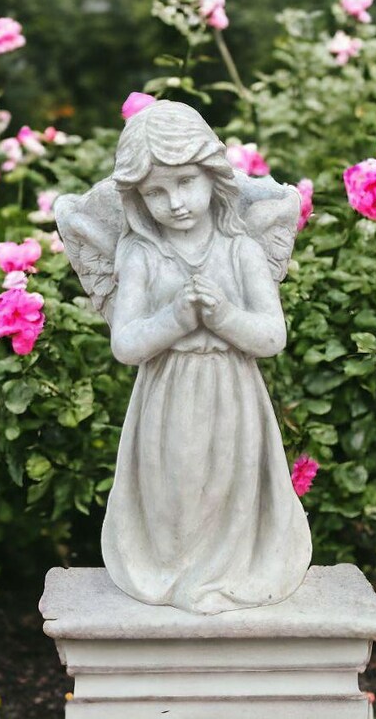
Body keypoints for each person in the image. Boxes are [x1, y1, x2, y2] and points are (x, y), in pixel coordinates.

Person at [57, 100, 311, 615]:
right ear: (135, 198)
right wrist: (174, 317)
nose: (174, 202)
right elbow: (126, 344)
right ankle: (173, 572)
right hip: (167, 397)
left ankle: (229, 573)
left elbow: (271, 336)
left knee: (228, 490)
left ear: (213, 177)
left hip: (233, 395)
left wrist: (223, 319)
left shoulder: (240, 247)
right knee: (175, 494)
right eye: (154, 191)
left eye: (185, 182)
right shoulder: (140, 253)